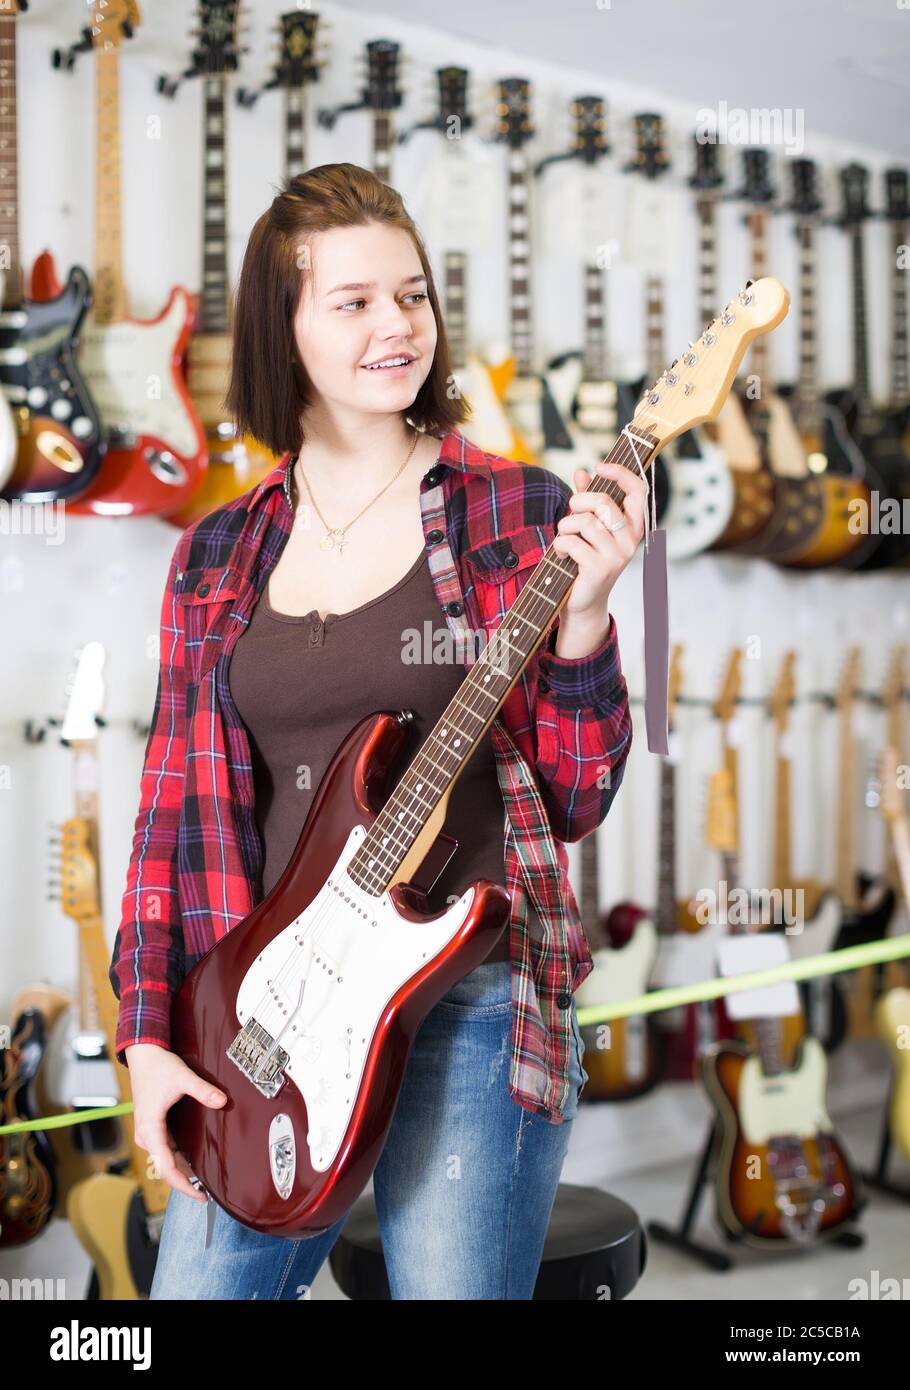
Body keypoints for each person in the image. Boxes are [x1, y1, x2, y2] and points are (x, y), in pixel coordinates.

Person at [110, 162, 646, 1300]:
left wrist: (589, 617)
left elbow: (576, 793)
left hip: (473, 998)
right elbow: (170, 814)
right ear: (283, 329)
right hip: (274, 1008)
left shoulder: (515, 510)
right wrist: (147, 1032)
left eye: (410, 294)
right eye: (352, 302)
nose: (396, 325)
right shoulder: (215, 554)